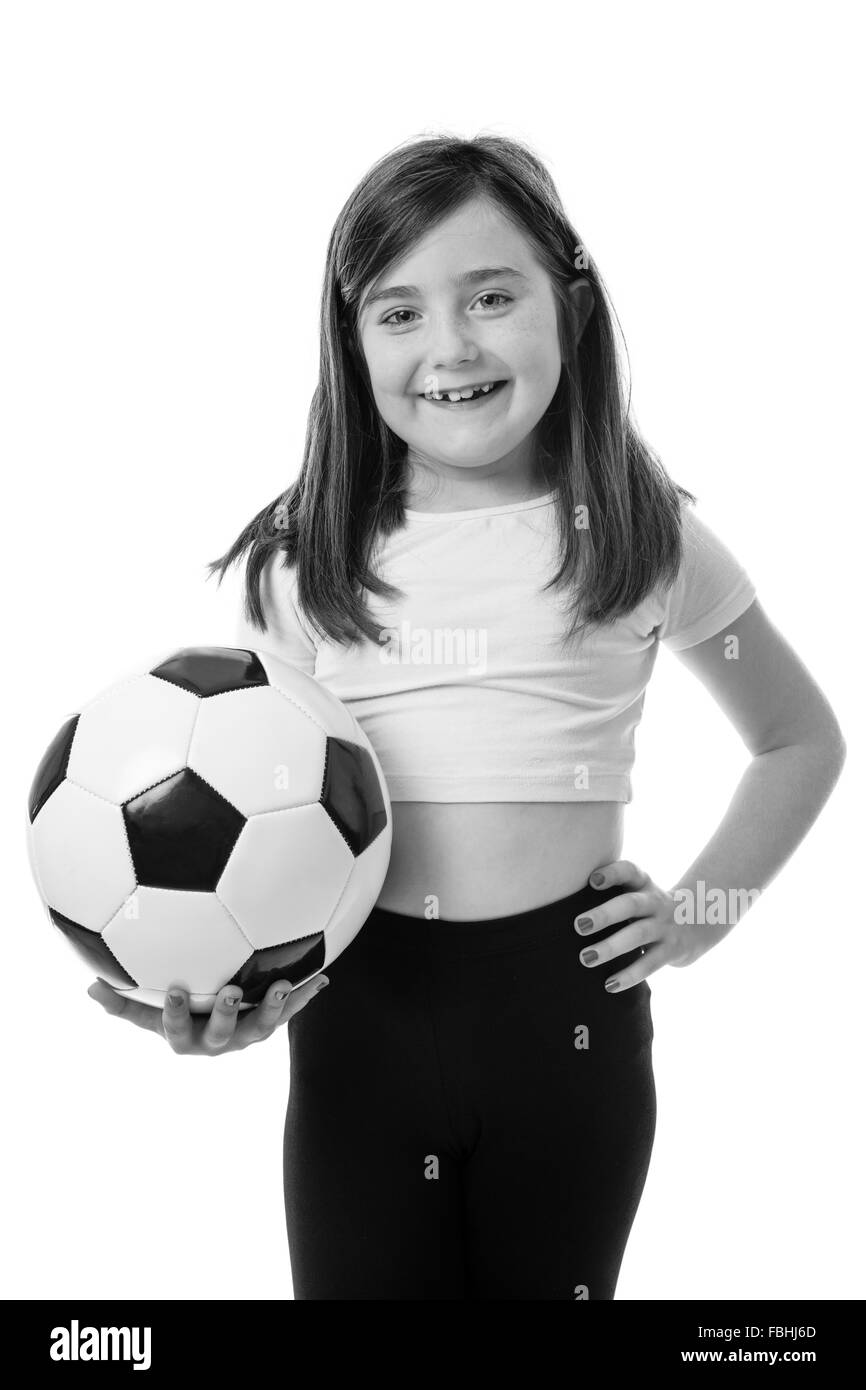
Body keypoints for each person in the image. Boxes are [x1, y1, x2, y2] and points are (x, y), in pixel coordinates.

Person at [90, 133, 846, 1300]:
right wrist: (226, 991)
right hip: (361, 1031)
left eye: (490, 296)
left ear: (570, 303)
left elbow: (798, 738)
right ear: (350, 343)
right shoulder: (300, 562)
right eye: (396, 313)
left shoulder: (644, 537)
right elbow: (234, 806)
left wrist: (697, 913)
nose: (449, 348)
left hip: (570, 1029)